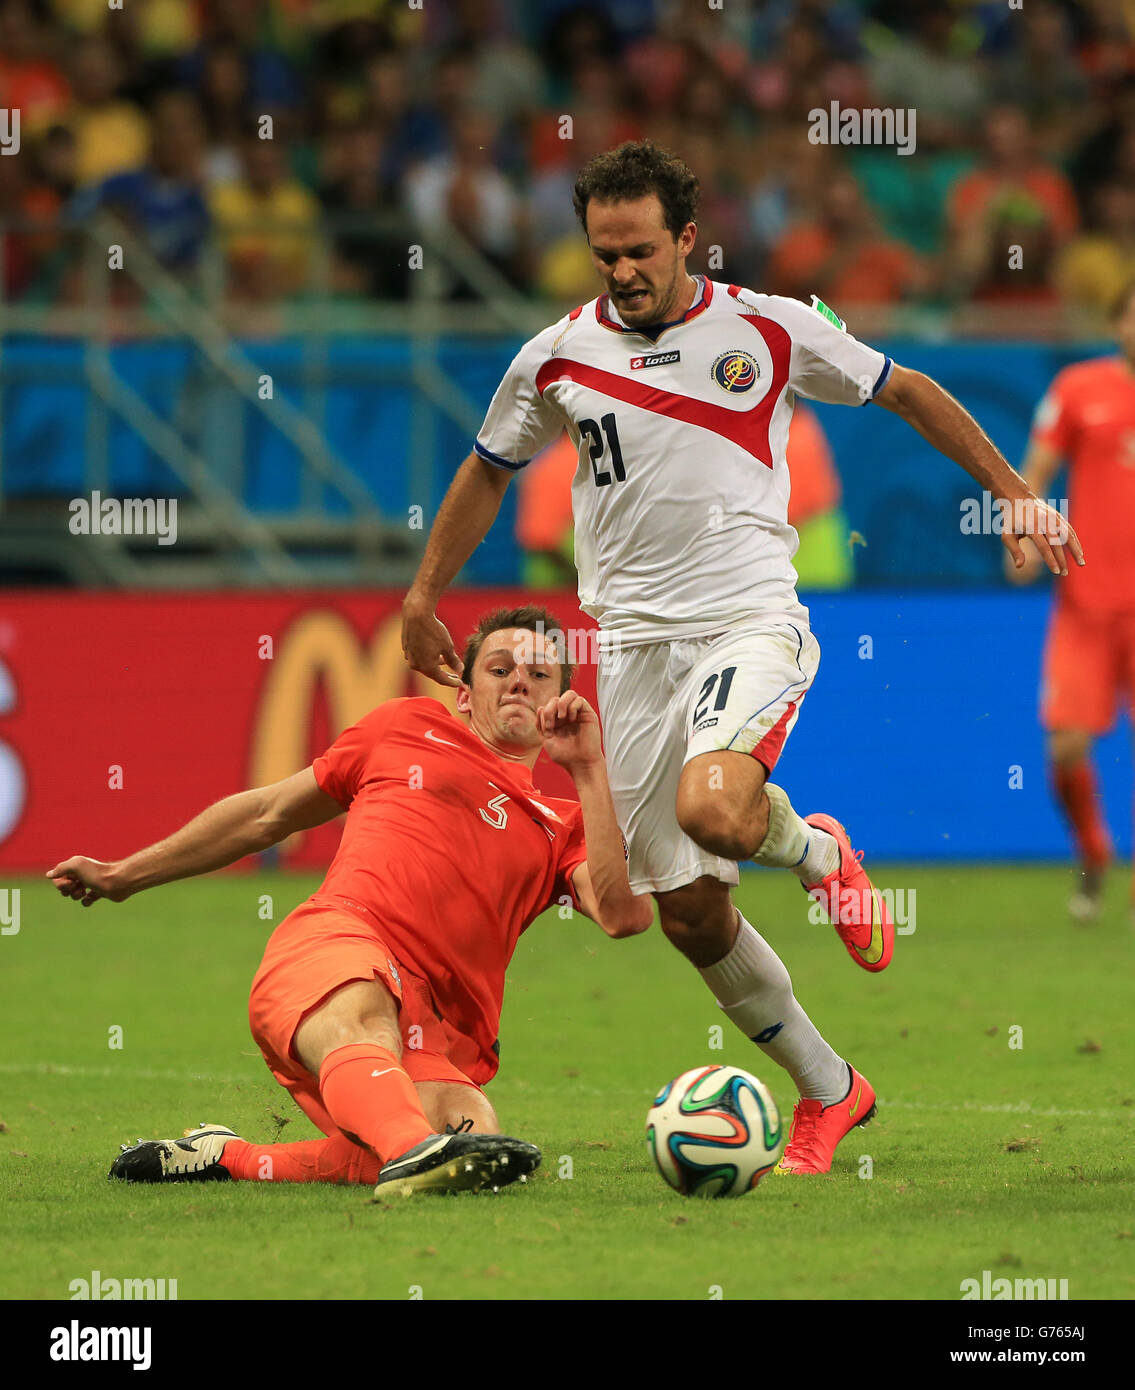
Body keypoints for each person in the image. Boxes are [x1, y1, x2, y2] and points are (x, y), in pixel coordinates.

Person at [402, 140, 1082, 1175]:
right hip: (628, 649)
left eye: (639, 250)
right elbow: (487, 471)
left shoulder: (765, 326)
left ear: (685, 239)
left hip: (746, 620)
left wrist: (1014, 489)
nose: (622, 271)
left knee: (713, 805)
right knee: (683, 909)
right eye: (602, 254)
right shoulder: (552, 356)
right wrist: (421, 595)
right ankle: (831, 1089)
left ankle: (816, 852)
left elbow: (904, 390)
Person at [47, 606, 650, 1199]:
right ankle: (413, 1150)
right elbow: (266, 814)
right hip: (337, 944)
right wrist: (125, 874)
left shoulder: (564, 825)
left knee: (471, 1131)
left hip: (434, 1024)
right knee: (367, 1014)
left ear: (559, 703)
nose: (519, 679)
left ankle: (233, 1157)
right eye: (499, 669)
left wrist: (590, 770)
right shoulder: (405, 727)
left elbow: (625, 918)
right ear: (464, 694)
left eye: (539, 674)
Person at [1011, 281, 1135, 920]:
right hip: (1087, 604)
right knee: (1063, 748)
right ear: (1117, 322)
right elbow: (1036, 470)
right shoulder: (1079, 389)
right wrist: (1028, 533)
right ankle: (1093, 849)